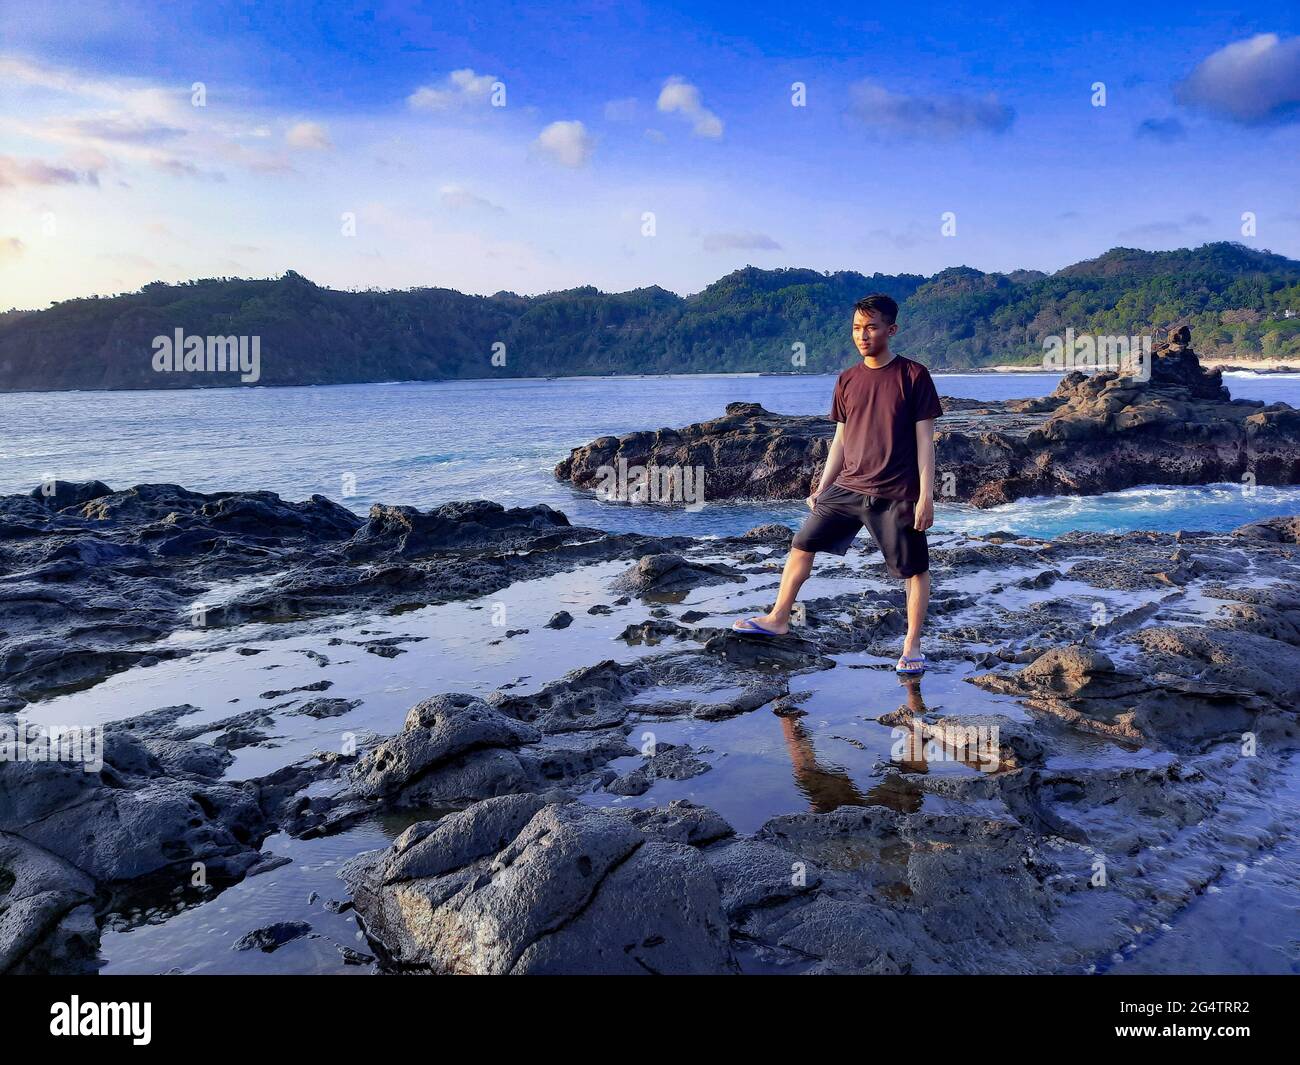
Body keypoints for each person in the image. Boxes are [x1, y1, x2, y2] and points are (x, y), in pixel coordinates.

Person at [732, 293, 942, 675]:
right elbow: (841, 439)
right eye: (857, 328)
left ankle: (912, 644)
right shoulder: (847, 379)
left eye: (872, 327)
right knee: (801, 545)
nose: (863, 335)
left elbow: (925, 441)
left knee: (913, 569)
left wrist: (926, 497)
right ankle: (779, 617)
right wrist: (823, 485)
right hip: (848, 487)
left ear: (891, 330)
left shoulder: (913, 375)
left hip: (896, 493)